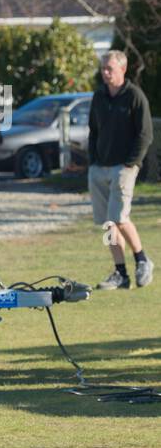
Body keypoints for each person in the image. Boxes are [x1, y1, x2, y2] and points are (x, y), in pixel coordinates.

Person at [90, 50, 154, 289]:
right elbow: (93, 131)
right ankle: (120, 273)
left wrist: (131, 162)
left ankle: (142, 259)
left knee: (118, 217)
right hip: (99, 168)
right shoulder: (99, 96)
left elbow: (145, 134)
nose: (106, 73)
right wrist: (93, 161)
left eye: (110, 69)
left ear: (123, 69)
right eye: (103, 69)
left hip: (123, 168)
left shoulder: (135, 96)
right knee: (107, 224)